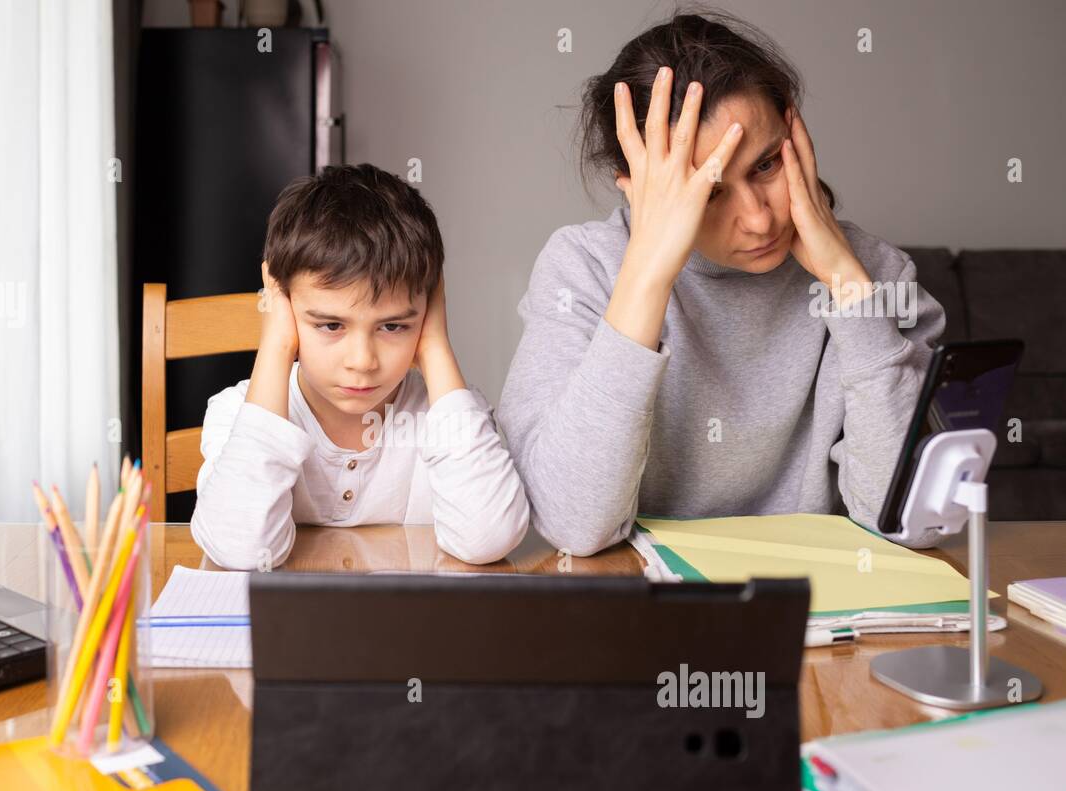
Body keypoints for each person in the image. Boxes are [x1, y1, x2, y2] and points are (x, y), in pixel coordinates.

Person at [498, 10, 945, 555]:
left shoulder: (877, 276)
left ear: (794, 135)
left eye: (766, 166)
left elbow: (909, 523)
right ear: (639, 192)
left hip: (818, 613)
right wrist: (647, 274)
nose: (758, 219)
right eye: (708, 192)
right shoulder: (582, 269)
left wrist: (850, 287)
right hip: (641, 609)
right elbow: (575, 524)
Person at [191, 163, 530, 570]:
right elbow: (241, 550)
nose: (362, 362)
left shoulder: (449, 416)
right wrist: (278, 343)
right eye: (331, 325)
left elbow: (488, 539)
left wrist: (437, 345)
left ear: (429, 308)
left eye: (393, 326)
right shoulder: (239, 414)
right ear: (280, 298)